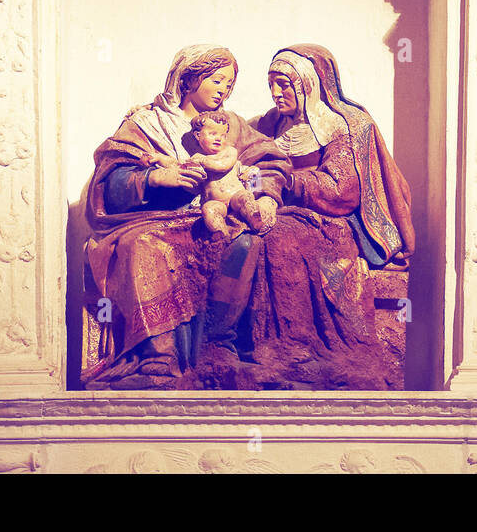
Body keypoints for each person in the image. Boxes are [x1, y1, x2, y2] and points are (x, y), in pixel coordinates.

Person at [83, 45, 289, 388]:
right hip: (153, 219)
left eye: (230, 84)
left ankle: (217, 345)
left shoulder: (230, 125)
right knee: (141, 246)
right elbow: (110, 183)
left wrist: (262, 193)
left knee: (245, 242)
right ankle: (157, 354)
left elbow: (265, 164)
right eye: (218, 80)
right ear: (190, 79)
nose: (224, 90)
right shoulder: (146, 123)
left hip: (215, 215)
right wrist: (154, 179)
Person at [250, 45, 415, 388]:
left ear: (308, 85)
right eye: (272, 84)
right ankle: (252, 345)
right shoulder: (267, 125)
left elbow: (343, 191)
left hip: (332, 224)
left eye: (284, 84)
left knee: (279, 237)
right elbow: (242, 151)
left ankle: (299, 348)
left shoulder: (346, 126)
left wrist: (291, 182)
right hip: (277, 212)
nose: (276, 93)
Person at [142, 110, 266, 237]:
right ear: (198, 135)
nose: (219, 138)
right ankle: (220, 235)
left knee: (245, 198)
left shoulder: (229, 152)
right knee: (209, 210)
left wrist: (203, 161)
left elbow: (222, 166)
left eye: (223, 136)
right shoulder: (196, 158)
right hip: (216, 202)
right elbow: (178, 166)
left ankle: (255, 218)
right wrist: (159, 158)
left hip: (235, 195)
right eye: (212, 134)